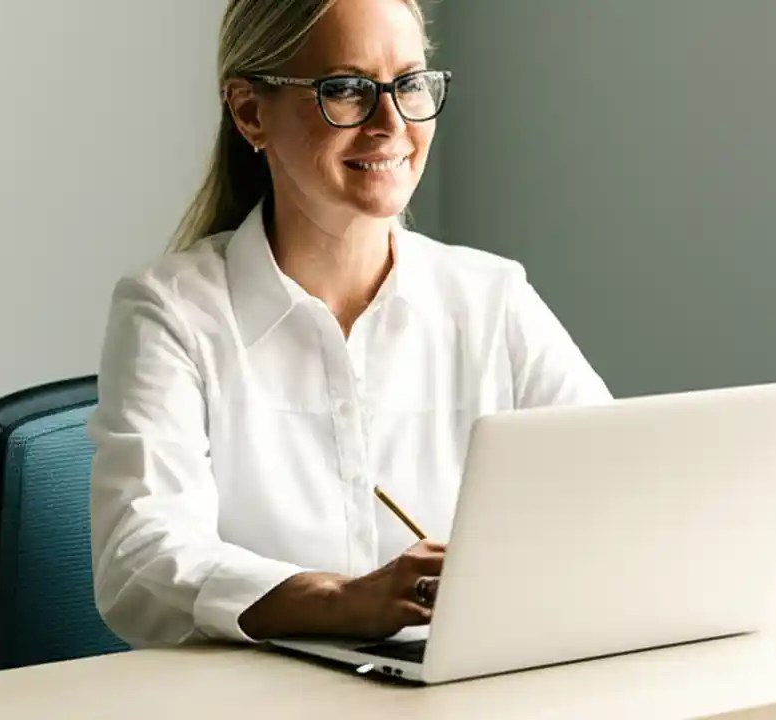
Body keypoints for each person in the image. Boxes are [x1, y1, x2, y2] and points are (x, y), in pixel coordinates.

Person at [88, 0, 610, 649]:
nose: (391, 122)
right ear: (251, 111)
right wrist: (343, 600)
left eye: (410, 83)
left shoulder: (490, 298)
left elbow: (616, 490)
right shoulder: (172, 310)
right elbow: (139, 561)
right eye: (345, 90)